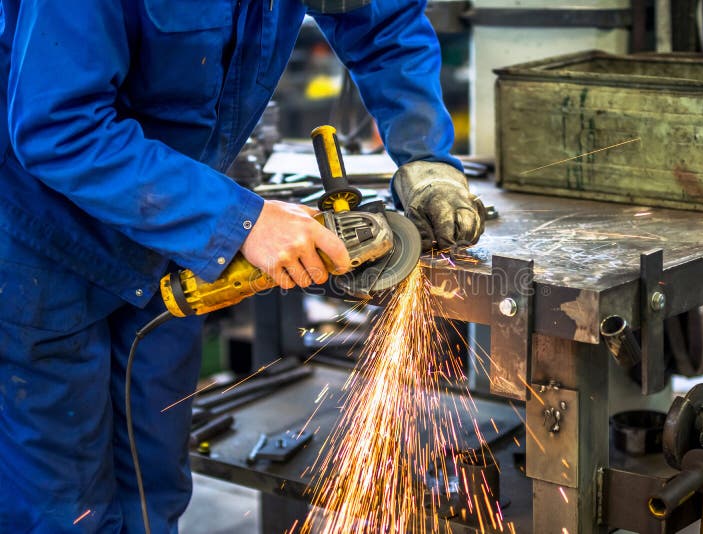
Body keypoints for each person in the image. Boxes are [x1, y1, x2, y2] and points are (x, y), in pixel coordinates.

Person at [0, 0, 485, 532]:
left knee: (152, 486)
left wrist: (426, 159)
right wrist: (241, 222)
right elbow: (59, 127)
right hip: (41, 246)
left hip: (172, 235)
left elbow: (381, 25)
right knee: (63, 508)